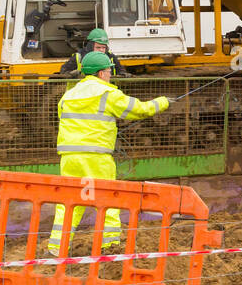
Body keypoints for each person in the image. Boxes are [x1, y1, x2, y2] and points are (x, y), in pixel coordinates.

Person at [47, 51, 169, 253]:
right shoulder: (107, 93)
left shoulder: (68, 95)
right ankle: (110, 244)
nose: (110, 75)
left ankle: (56, 248)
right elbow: (139, 109)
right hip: (97, 157)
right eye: (109, 71)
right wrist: (163, 102)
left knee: (69, 203)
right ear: (102, 73)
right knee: (107, 199)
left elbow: (65, 120)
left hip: (69, 158)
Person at [58, 28, 127, 77]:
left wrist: (123, 73)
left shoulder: (110, 56)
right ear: (90, 46)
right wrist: (71, 74)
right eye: (98, 47)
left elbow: (120, 69)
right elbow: (63, 71)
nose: (101, 50)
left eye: (103, 47)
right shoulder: (79, 56)